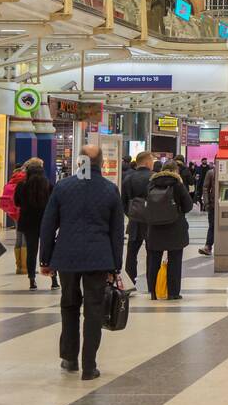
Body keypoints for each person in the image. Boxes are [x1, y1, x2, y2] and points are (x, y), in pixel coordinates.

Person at [38, 145, 124, 380]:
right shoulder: (109, 190)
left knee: (69, 304)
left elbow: (48, 225)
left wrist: (45, 258)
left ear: (79, 162)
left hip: (67, 256)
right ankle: (89, 365)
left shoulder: (63, 187)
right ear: (102, 163)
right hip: (99, 257)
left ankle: (69, 358)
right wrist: (116, 266)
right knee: (94, 309)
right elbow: (117, 232)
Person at [144, 162, 194, 301]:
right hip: (175, 227)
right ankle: (173, 292)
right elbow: (188, 205)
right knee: (175, 261)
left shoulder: (151, 184)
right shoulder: (177, 184)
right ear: (175, 171)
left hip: (155, 227)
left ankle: (153, 292)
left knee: (153, 260)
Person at [14, 158, 52, 290]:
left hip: (28, 222)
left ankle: (32, 280)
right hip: (45, 221)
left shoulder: (21, 186)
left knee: (31, 251)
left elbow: (17, 203)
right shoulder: (48, 185)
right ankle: (54, 279)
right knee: (48, 249)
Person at [121, 151, 153, 286]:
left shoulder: (128, 178)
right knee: (152, 252)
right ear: (146, 162)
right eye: (152, 161)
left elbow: (123, 201)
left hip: (135, 220)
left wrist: (131, 214)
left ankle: (130, 281)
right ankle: (152, 283)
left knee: (132, 252)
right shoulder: (154, 177)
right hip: (152, 220)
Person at [198, 161, 218, 257]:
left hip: (226, 205)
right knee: (212, 226)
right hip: (213, 205)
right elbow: (205, 188)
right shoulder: (211, 172)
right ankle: (208, 246)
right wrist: (206, 203)